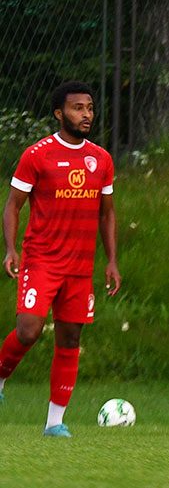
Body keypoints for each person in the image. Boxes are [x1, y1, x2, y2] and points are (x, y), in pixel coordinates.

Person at [0, 82, 120, 437]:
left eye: (89, 108)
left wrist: (111, 260)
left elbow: (107, 214)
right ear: (59, 114)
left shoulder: (101, 159)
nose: (86, 114)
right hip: (41, 261)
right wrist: (11, 249)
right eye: (77, 108)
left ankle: (55, 423)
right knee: (28, 330)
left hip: (80, 268)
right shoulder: (38, 155)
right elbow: (13, 205)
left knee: (69, 340)